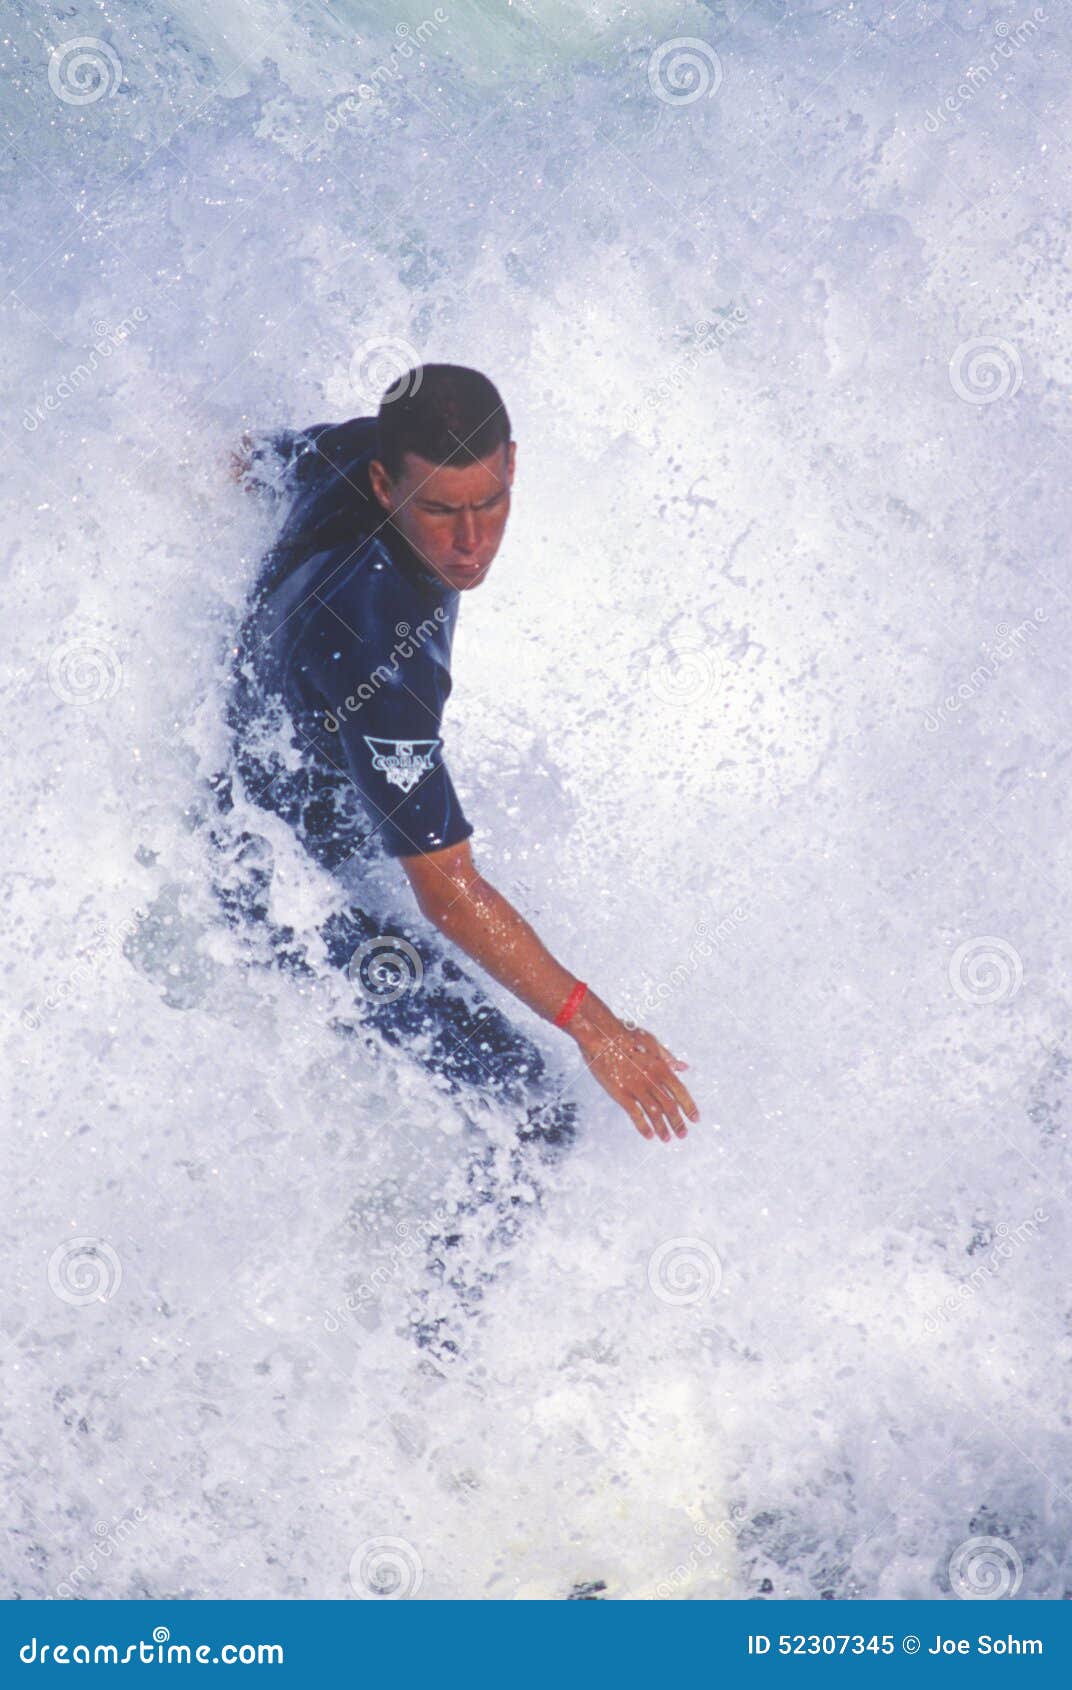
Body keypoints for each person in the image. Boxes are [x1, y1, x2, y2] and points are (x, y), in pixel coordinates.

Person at [225, 363, 699, 1148]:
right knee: (534, 1115)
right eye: (440, 511)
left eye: (489, 502)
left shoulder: (352, 451)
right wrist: (596, 1029)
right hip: (280, 892)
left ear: (513, 463)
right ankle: (433, 1279)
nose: (471, 542)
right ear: (385, 485)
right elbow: (446, 893)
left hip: (270, 781)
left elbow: (243, 462)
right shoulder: (381, 660)